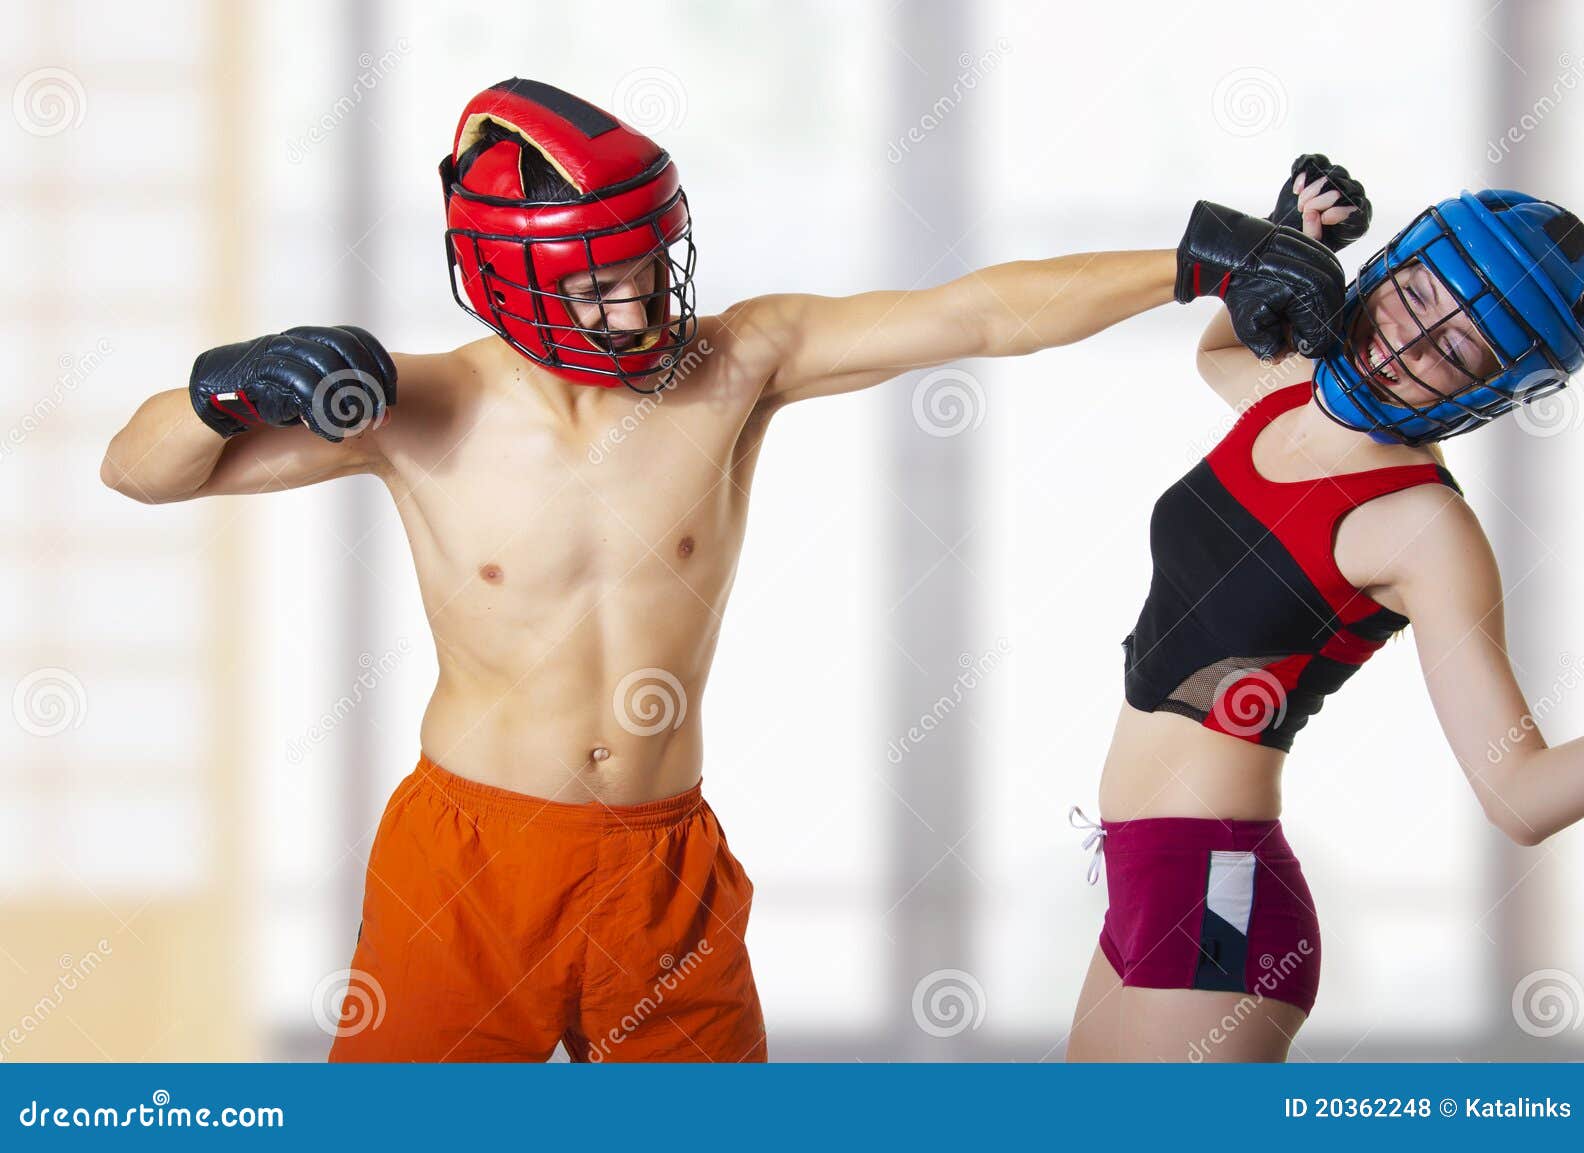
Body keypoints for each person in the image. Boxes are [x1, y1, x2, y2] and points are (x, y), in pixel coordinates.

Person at [100, 78, 1343, 1062]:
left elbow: (975, 313)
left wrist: (1200, 263)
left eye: (648, 261)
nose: (639, 304)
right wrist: (228, 386)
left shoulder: (738, 361)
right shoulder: (419, 407)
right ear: (503, 274)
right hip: (468, 866)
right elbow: (141, 471)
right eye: (599, 284)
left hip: (662, 863)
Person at [1064, 155, 1584, 1062]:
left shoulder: (1423, 525)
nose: (1414, 342)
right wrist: (1282, 255)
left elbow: (1520, 795)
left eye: (1462, 347)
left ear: (1496, 389)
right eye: (1421, 295)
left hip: (1216, 896)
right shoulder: (1292, 393)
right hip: (1142, 873)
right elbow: (1224, 352)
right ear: (1393, 264)